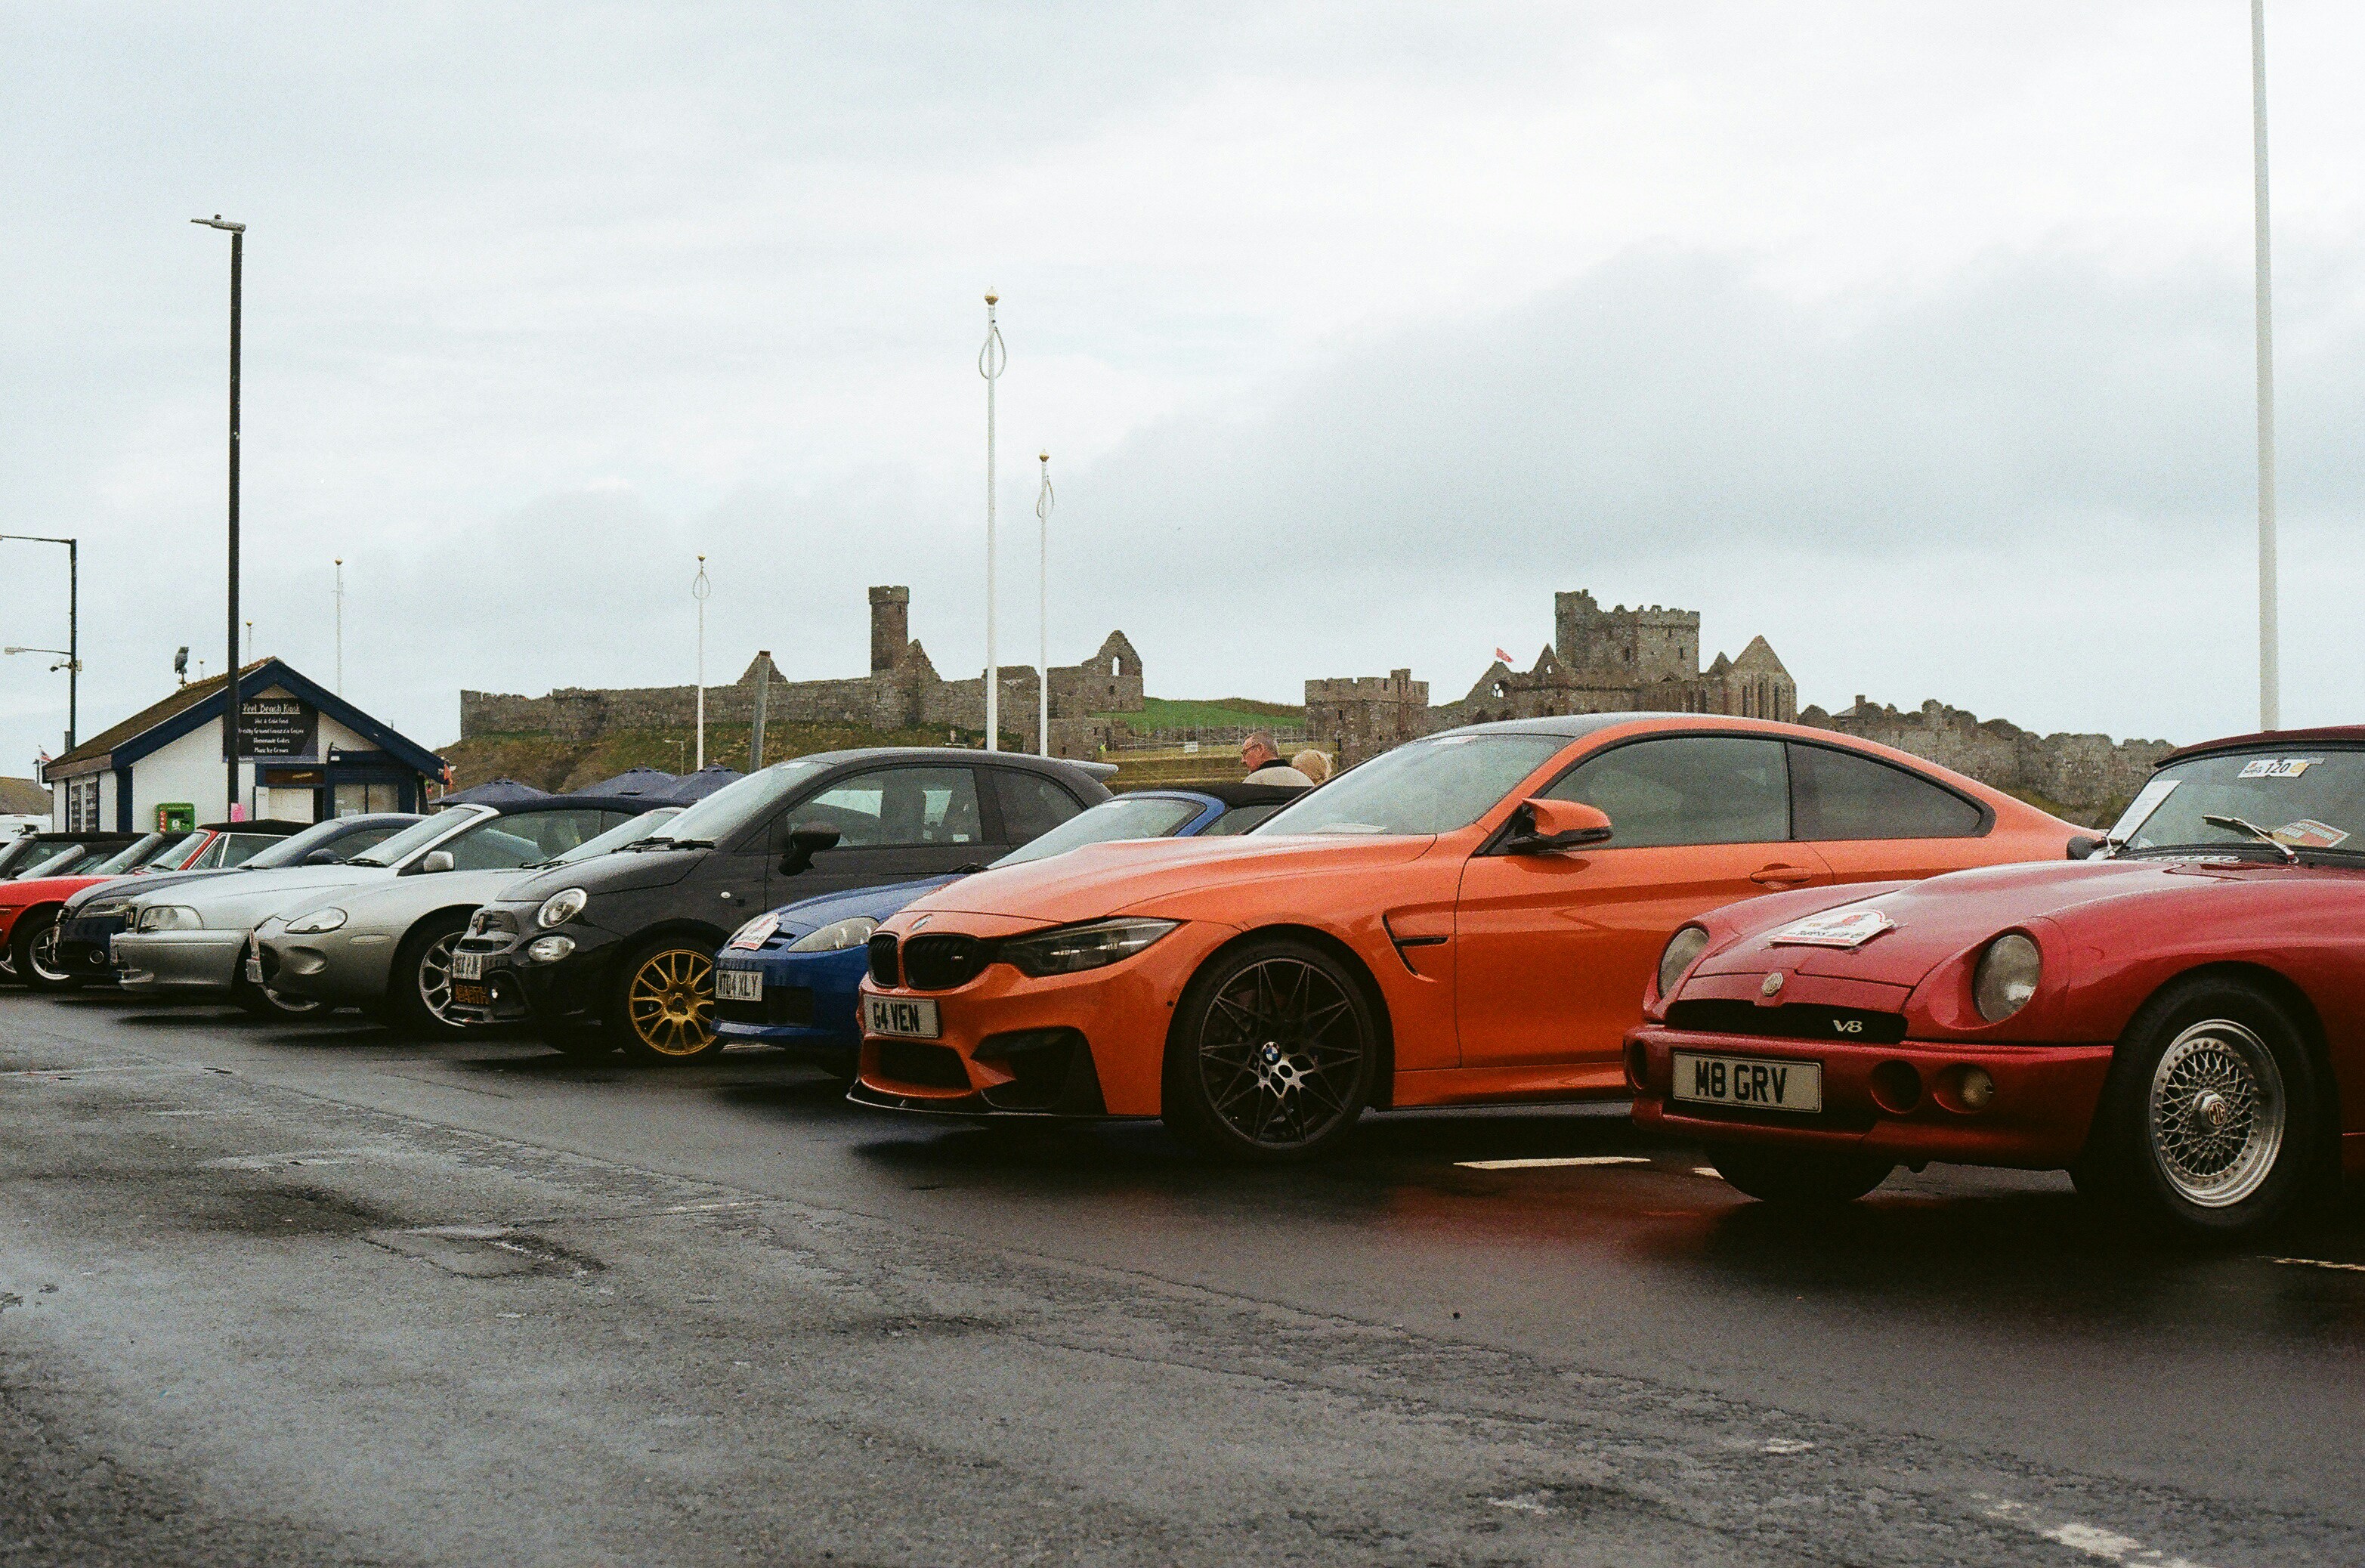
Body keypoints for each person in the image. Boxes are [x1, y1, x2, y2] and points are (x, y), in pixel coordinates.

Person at [1240, 732, 1313, 786]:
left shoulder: (1253, 783)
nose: (1242, 761)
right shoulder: (1304, 780)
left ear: (1260, 749)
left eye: (1245, 753)